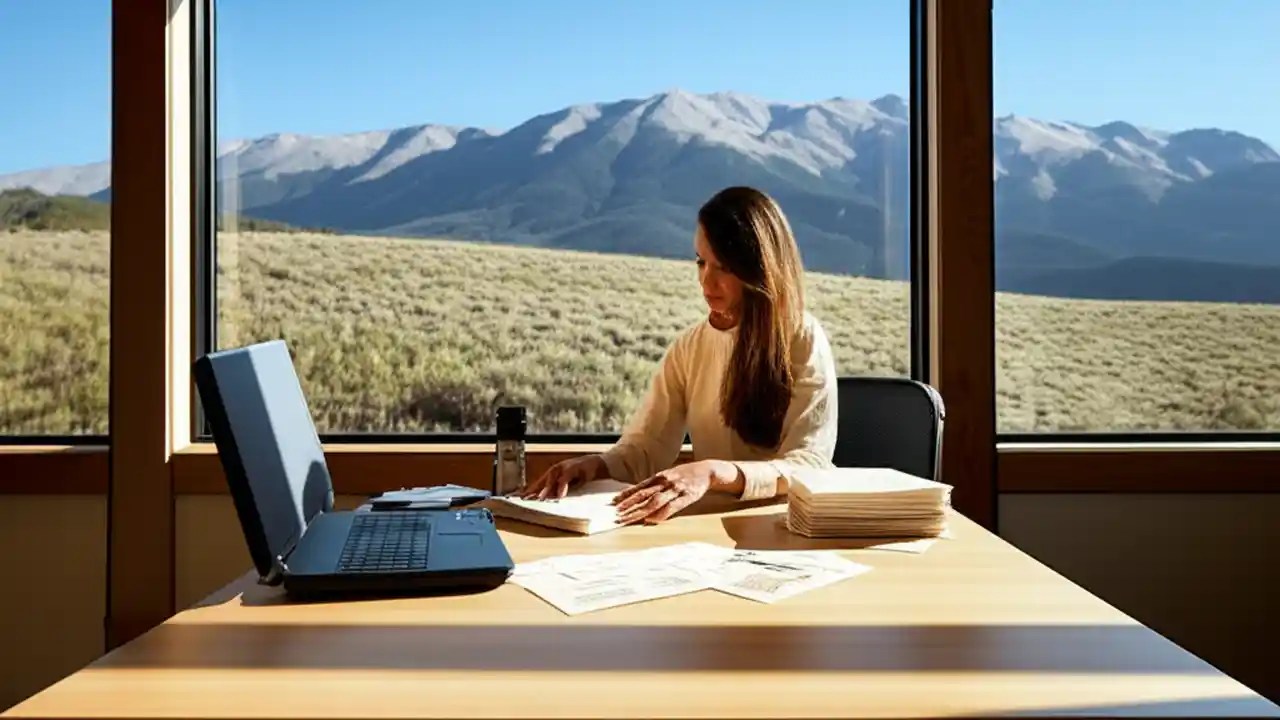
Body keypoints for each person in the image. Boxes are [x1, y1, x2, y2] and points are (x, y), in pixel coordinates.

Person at [521, 186, 839, 524]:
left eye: (724, 268)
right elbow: (646, 449)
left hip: (787, 527)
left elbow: (810, 464)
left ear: (760, 270)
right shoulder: (690, 347)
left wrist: (714, 472)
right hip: (709, 527)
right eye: (701, 262)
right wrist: (593, 465)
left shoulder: (803, 338)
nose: (706, 281)